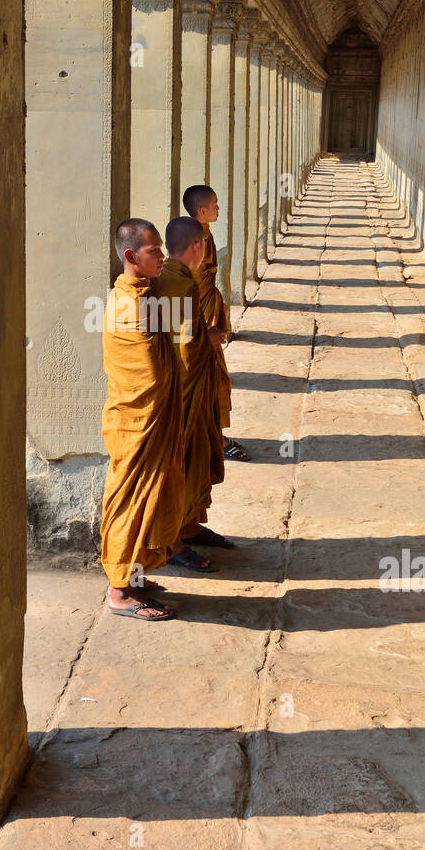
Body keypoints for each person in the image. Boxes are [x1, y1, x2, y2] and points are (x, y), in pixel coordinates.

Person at [100, 218, 186, 621]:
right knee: (132, 503)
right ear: (131, 257)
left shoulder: (141, 292)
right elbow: (148, 378)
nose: (162, 257)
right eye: (155, 252)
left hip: (153, 421)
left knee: (153, 500)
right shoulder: (129, 306)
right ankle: (120, 592)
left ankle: (135, 575)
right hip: (137, 423)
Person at [154, 215, 232, 567]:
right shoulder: (178, 284)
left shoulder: (173, 276)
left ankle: (187, 526)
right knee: (181, 464)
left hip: (190, 389)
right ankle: (171, 540)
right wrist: (210, 338)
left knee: (195, 459)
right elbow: (185, 347)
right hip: (183, 392)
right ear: (198, 246)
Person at [183, 183, 249, 461]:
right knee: (206, 380)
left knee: (215, 378)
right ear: (202, 210)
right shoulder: (192, 240)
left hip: (207, 310)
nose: (218, 209)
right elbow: (188, 284)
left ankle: (212, 435)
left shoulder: (204, 235)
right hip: (197, 316)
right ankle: (213, 439)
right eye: (214, 205)